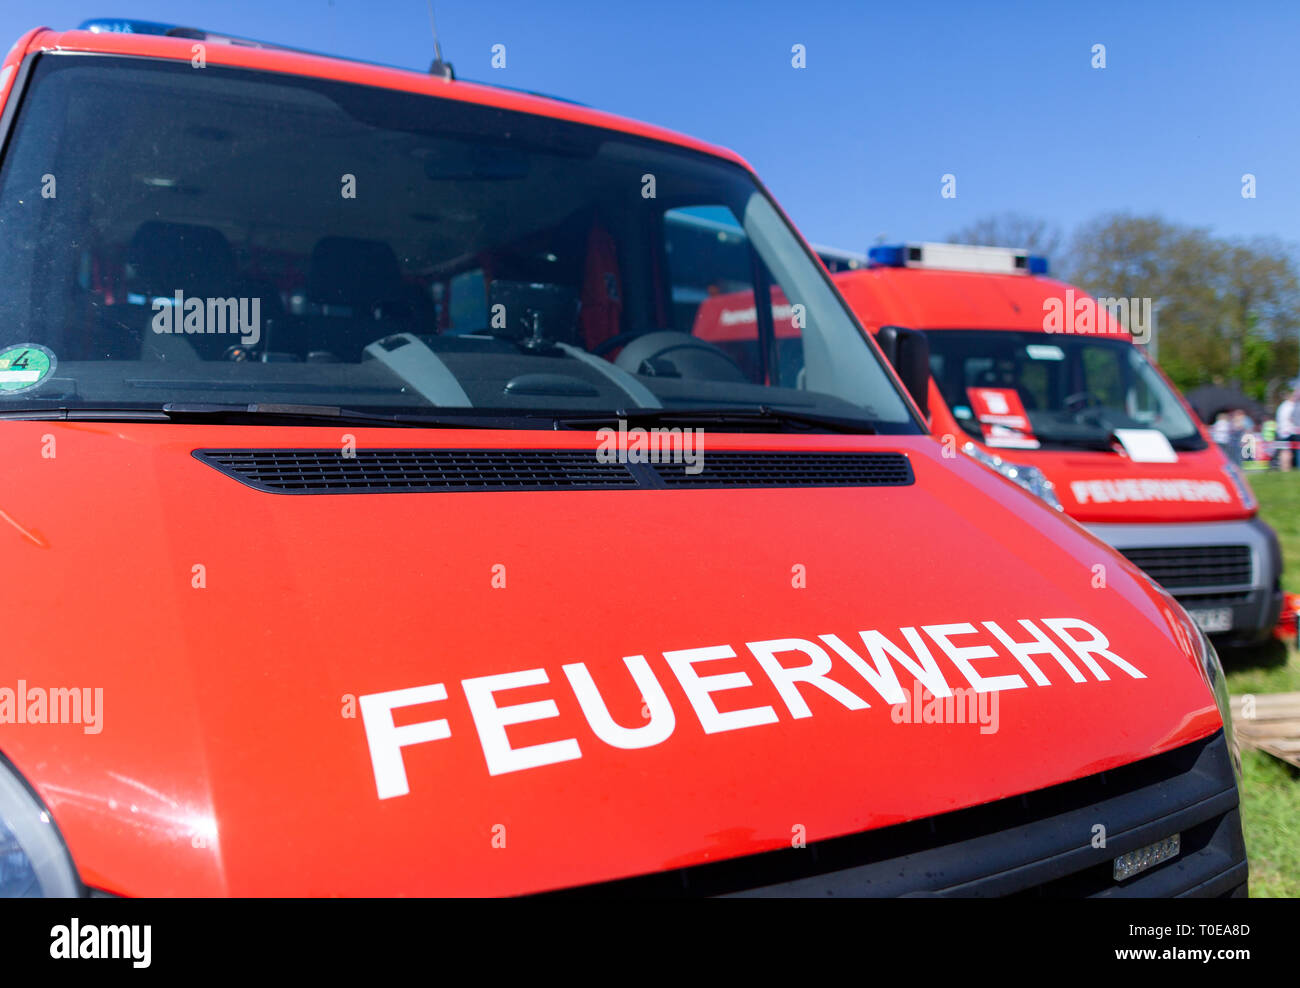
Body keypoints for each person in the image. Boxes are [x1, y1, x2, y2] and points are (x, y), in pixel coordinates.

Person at [1278, 389, 1298, 472]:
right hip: (1288, 432)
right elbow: (1292, 419)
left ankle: (1285, 469)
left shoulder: (1283, 406)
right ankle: (1286, 468)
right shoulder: (1290, 406)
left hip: (1283, 431)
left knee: (1285, 450)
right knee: (1286, 451)